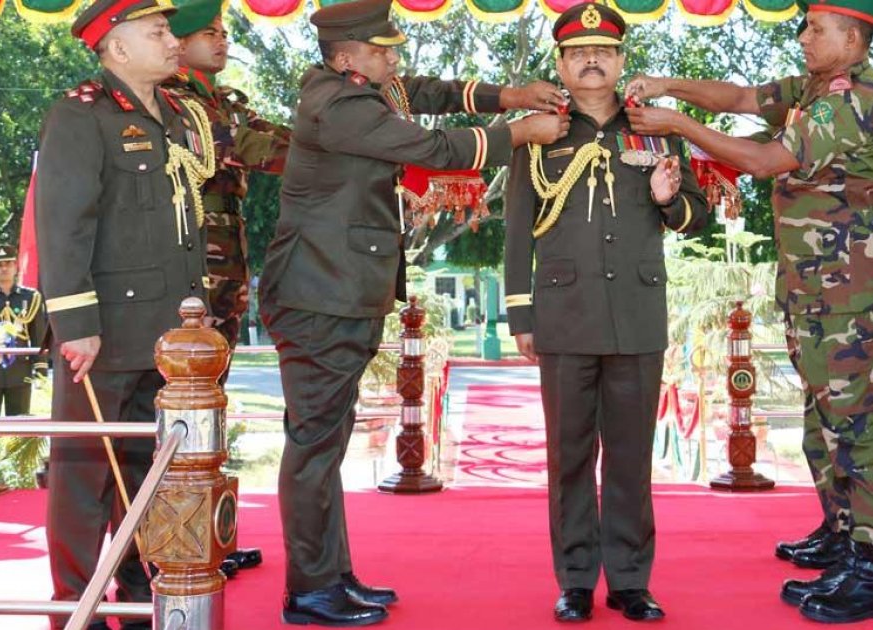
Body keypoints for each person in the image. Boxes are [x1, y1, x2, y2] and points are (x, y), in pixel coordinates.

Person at [256, 0, 567, 625]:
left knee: (325, 442)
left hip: (336, 290)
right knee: (314, 446)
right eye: (383, 50)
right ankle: (311, 590)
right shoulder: (338, 104)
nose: (395, 60)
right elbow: (429, 144)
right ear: (347, 56)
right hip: (320, 294)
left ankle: (330, 575)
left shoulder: (360, 86)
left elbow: (427, 89)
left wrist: (508, 95)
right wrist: (517, 134)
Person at [624, 0, 873, 622]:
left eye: (817, 29)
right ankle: (841, 534)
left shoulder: (850, 102)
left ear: (853, 39)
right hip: (815, 289)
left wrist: (675, 123)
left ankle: (872, 566)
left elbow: (762, 161)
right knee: (822, 420)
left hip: (848, 295)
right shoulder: (814, 88)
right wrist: (672, 86)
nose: (804, 37)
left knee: (856, 424)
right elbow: (744, 98)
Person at [504, 3, 708, 622]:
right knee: (568, 456)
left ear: (621, 62)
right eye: (577, 53)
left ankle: (629, 579)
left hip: (636, 314)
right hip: (563, 316)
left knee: (630, 454)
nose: (591, 61)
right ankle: (573, 580)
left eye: (604, 52)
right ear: (561, 66)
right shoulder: (538, 132)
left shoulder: (655, 131)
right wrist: (521, 315)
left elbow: (694, 216)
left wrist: (670, 201)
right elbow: (517, 232)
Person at [35, 0, 213, 627]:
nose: (172, 40)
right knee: (86, 479)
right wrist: (76, 325)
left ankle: (141, 604)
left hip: (168, 335)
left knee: (150, 482)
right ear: (115, 47)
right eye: (158, 31)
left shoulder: (178, 115)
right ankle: (74, 610)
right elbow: (63, 224)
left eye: (169, 30)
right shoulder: (81, 115)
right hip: (104, 332)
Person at [165, 0, 290, 355]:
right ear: (180, 44)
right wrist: (331, 161)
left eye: (224, 34)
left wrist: (341, 144)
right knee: (189, 367)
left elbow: (282, 137)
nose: (222, 42)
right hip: (193, 249)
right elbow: (246, 146)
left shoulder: (224, 102)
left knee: (217, 367)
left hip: (230, 250)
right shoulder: (171, 99)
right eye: (209, 34)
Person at [0, 243, 48, 416]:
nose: (4, 268)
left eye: (8, 263)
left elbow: (38, 336)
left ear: (15, 266)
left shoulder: (31, 297)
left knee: (20, 425)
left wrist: (40, 369)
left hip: (19, 370)